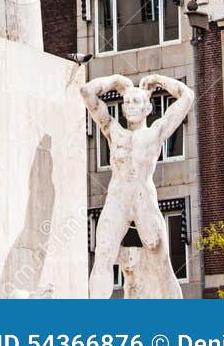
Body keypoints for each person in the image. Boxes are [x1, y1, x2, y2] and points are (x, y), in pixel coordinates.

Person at [81, 73, 193, 300]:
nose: (130, 106)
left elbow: (187, 96)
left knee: (161, 262)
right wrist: (115, 81)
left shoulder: (156, 132)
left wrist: (160, 80)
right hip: (118, 200)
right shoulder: (113, 131)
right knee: (103, 255)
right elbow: (86, 92)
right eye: (127, 102)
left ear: (148, 108)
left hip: (144, 200)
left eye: (137, 101)